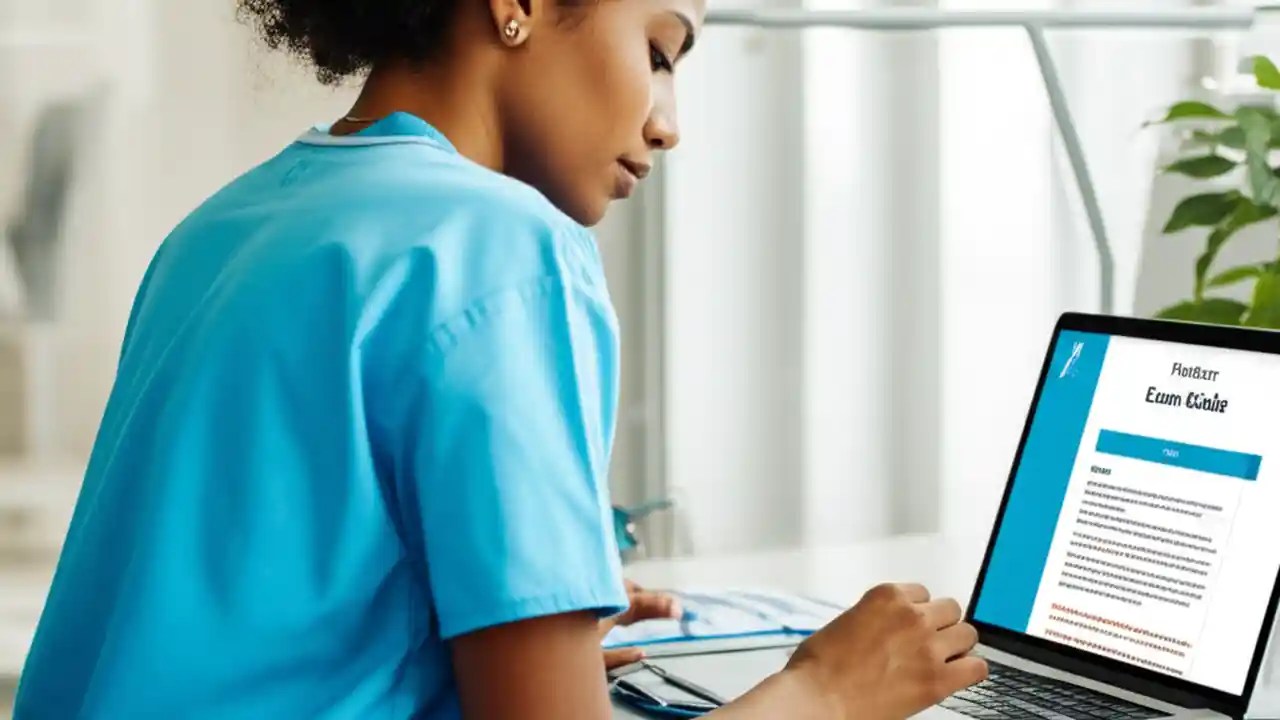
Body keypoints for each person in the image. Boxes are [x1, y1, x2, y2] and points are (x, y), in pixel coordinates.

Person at [14, 0, 987, 716]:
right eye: (657, 52)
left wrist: (525, 637)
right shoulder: (501, 242)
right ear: (516, 5)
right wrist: (825, 690)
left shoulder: (223, 225)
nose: (667, 122)